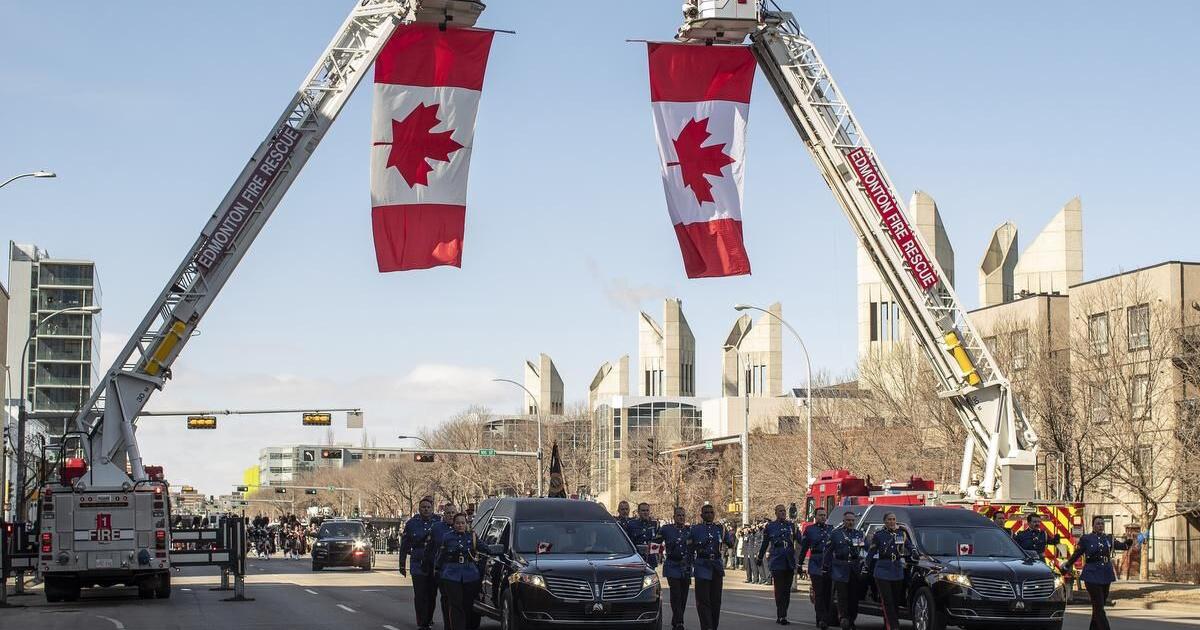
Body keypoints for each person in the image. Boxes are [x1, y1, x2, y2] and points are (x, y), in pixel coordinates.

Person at [1061, 517, 1132, 630]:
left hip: (1106, 574)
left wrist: (1129, 542)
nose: (1100, 526)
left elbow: (1122, 546)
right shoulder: (1086, 538)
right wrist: (1067, 565)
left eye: (1102, 524)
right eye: (1098, 524)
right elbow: (1077, 554)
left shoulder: (1109, 538)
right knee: (1099, 606)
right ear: (1093, 526)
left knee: (1099, 606)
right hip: (1091, 575)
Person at [688, 504, 735, 630]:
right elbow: (690, 550)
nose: (709, 515)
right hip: (702, 565)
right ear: (701, 515)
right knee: (703, 601)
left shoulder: (720, 528)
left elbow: (730, 543)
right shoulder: (695, 529)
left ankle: (714, 626)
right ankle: (706, 626)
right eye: (706, 512)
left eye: (711, 512)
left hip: (716, 566)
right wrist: (690, 566)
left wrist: (729, 536)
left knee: (716, 600)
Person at [866, 512, 916, 630]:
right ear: (885, 521)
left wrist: (914, 552)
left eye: (894, 519)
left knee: (895, 600)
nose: (892, 522)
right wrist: (866, 566)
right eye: (889, 519)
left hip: (897, 569)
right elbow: (871, 552)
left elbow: (910, 546)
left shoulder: (901, 534)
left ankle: (889, 623)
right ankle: (894, 626)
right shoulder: (879, 535)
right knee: (887, 600)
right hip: (882, 569)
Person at [434, 513, 481, 630]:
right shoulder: (447, 537)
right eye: (457, 523)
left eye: (462, 523)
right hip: (452, 575)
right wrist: (437, 568)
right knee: (455, 605)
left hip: (470, 575)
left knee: (468, 605)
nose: (460, 525)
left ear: (466, 524)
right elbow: (441, 555)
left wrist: (498, 550)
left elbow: (485, 548)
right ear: (453, 525)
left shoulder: (472, 536)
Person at [399, 498, 440, 630]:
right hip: (418, 562)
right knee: (420, 594)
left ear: (432, 508)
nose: (426, 509)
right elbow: (404, 545)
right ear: (419, 508)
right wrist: (401, 564)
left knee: (432, 593)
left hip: (433, 563)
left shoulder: (438, 522)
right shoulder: (412, 523)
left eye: (428, 507)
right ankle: (422, 621)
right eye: (423, 507)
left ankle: (428, 617)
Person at [758, 504, 801, 626]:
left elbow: (800, 540)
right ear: (775, 512)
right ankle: (781, 615)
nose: (783, 513)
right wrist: (760, 557)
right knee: (779, 590)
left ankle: (784, 614)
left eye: (784, 511)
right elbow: (765, 543)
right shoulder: (770, 527)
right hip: (777, 560)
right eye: (780, 511)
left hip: (789, 561)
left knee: (786, 591)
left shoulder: (791, 526)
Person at [822, 510, 865, 630]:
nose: (850, 522)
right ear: (844, 521)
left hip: (854, 569)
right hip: (840, 569)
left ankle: (851, 620)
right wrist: (825, 567)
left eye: (852, 520)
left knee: (853, 597)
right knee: (842, 596)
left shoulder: (859, 534)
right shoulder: (836, 534)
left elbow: (866, 548)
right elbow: (828, 552)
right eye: (848, 520)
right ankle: (844, 619)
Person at [798, 507, 833, 629]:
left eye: (824, 515)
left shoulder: (831, 529)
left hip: (828, 564)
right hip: (816, 563)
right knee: (819, 593)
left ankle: (825, 618)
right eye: (820, 515)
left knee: (828, 593)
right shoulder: (810, 530)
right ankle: (821, 618)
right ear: (815, 516)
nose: (823, 517)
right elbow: (804, 549)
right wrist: (799, 564)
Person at [661, 507, 692, 630]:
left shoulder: (690, 531)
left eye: (683, 515)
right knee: (676, 594)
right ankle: (679, 622)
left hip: (685, 567)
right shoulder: (666, 530)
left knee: (684, 595)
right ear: (674, 517)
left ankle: (676, 620)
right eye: (678, 515)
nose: (681, 517)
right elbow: (655, 542)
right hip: (672, 565)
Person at [626, 502, 662, 570]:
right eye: (643, 510)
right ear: (638, 512)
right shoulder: (631, 524)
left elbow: (658, 541)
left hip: (650, 559)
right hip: (636, 558)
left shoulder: (655, 524)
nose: (645, 513)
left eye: (647, 510)